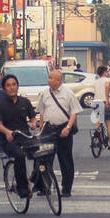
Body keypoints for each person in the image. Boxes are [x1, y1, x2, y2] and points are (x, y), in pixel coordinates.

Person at [35, 68, 79, 198]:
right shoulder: (45, 93)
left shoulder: (68, 93)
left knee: (65, 159)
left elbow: (74, 111)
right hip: (48, 129)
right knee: (45, 158)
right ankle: (44, 187)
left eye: (51, 78)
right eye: (48, 78)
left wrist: (68, 127)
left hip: (63, 129)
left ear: (59, 80)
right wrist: (41, 129)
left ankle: (66, 188)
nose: (48, 80)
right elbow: (41, 112)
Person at [0, 74, 38, 199]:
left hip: (25, 137)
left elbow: (33, 117)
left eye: (14, 85)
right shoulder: (0, 105)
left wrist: (33, 123)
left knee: (43, 151)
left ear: (17, 86)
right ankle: (22, 187)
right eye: (8, 85)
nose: (12, 88)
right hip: (8, 140)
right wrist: (7, 132)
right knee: (20, 155)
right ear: (4, 88)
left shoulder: (25, 101)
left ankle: (37, 180)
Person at [92, 65, 110, 149]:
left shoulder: (96, 81)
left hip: (96, 102)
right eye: (107, 71)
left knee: (99, 121)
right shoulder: (107, 80)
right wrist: (107, 99)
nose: (108, 73)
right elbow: (107, 86)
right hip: (104, 102)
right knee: (108, 123)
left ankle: (96, 136)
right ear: (105, 72)